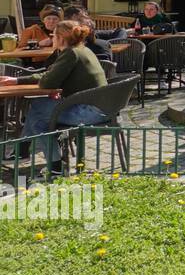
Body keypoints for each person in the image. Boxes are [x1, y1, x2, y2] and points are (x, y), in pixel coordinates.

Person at [4, 20, 108, 175]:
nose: (52, 38)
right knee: (39, 113)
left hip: (89, 111)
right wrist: (17, 80)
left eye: (53, 35)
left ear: (60, 38)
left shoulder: (70, 53)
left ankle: (29, 152)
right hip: (103, 107)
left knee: (38, 112)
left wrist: (48, 81)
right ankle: (35, 156)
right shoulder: (82, 50)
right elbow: (50, 75)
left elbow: (48, 81)